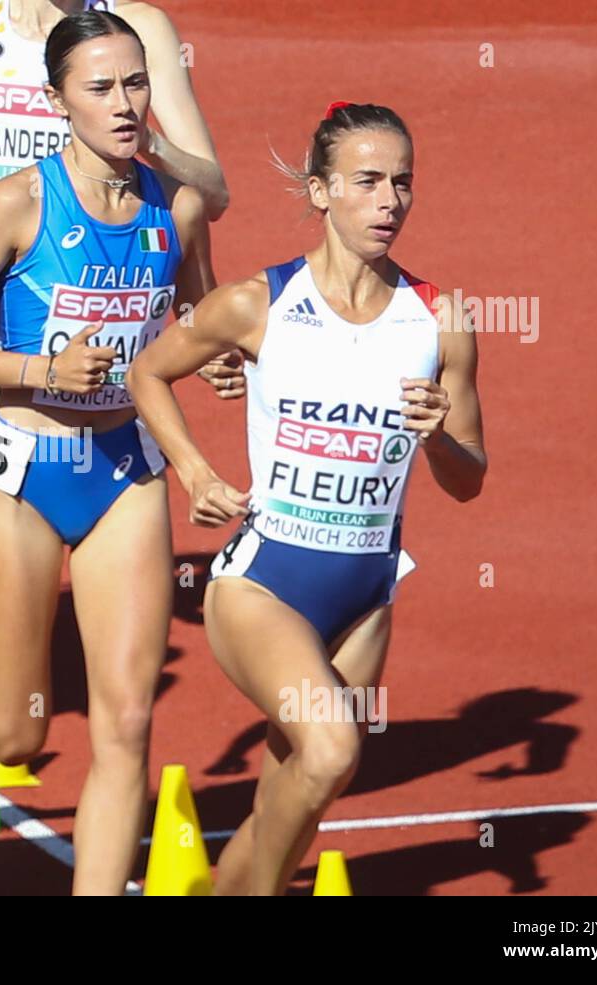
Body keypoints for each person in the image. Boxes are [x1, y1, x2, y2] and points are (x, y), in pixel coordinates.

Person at [0, 10, 212, 894]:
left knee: (126, 723)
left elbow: (195, 316)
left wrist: (221, 361)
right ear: (58, 100)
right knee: (18, 737)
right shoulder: (20, 200)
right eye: (100, 89)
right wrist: (41, 367)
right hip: (19, 473)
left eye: (136, 83)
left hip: (125, 475)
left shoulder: (174, 202)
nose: (127, 104)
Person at [127, 102, 488, 895]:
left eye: (402, 183)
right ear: (321, 191)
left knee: (294, 799)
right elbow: (146, 371)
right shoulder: (258, 305)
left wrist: (435, 435)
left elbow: (468, 479)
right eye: (366, 181)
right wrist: (194, 472)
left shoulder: (440, 320)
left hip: (364, 598)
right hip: (261, 586)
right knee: (331, 749)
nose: (389, 200)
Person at [0, 0, 233, 451]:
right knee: (11, 483)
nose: (121, 98)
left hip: (99, 306)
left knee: (81, 471)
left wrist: (150, 142)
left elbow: (213, 196)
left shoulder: (134, 29)